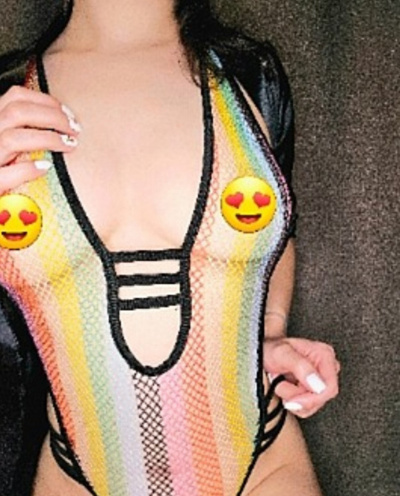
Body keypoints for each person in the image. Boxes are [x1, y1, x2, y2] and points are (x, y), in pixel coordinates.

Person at [0, 1, 340, 495]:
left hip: (263, 468)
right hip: (76, 478)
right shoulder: (6, 98)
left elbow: (276, 233)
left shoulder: (250, 75)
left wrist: (269, 332)